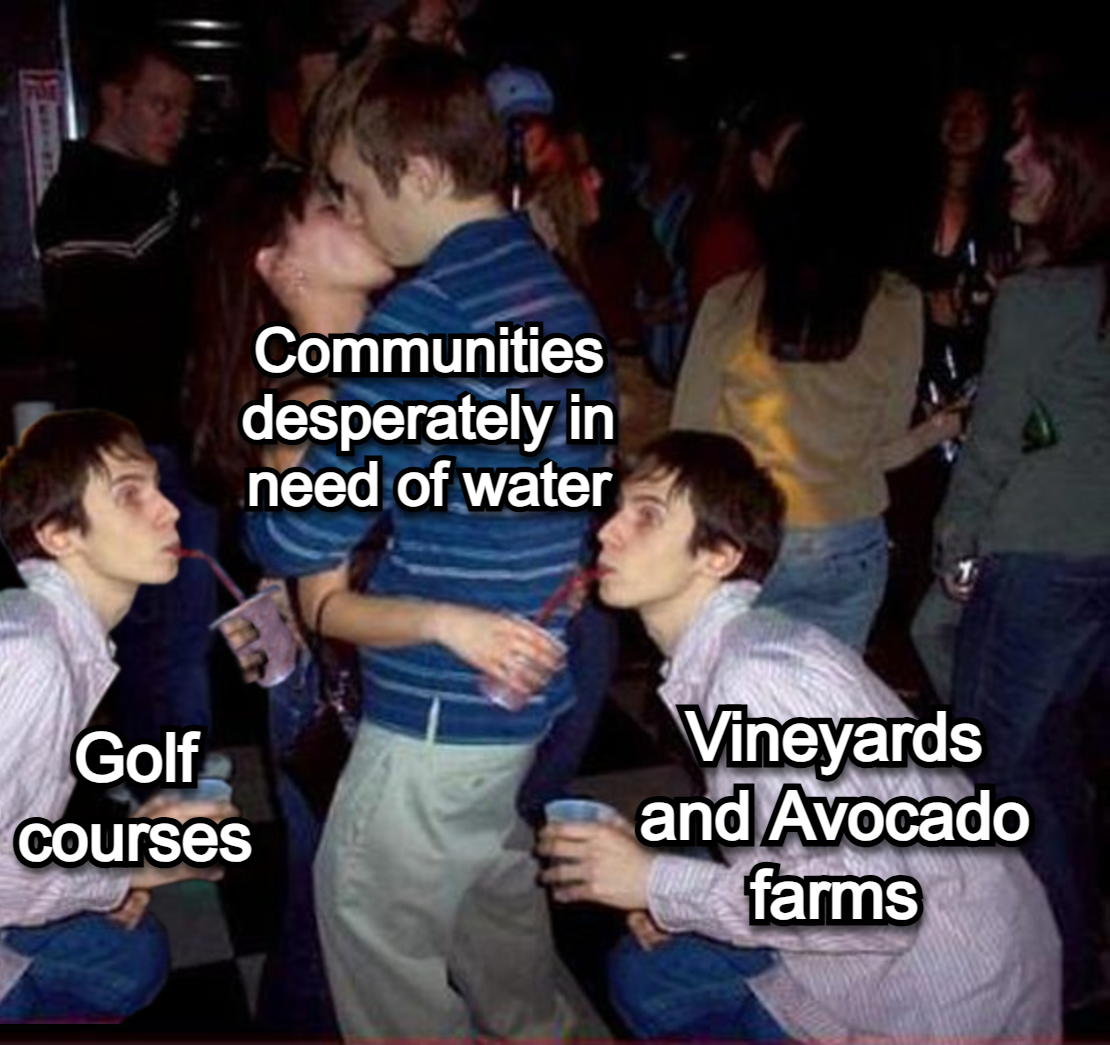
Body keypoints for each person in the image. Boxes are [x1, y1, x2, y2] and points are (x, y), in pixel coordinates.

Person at [244, 41, 613, 1040]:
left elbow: (299, 529)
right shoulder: (551, 291)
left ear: (415, 171)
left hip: (441, 702)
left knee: (367, 916)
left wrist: (273, 479)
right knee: (490, 885)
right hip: (522, 679)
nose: (353, 214)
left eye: (355, 190)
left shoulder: (428, 317)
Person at [538, 430, 1061, 1043]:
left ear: (719, 555)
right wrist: (667, 886)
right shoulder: (741, 645)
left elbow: (873, 908)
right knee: (648, 972)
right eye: (618, 508)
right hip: (946, 937)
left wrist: (655, 881)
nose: (607, 531)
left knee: (653, 979)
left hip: (937, 999)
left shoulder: (755, 679)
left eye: (647, 515)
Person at [938, 69, 1110, 1009]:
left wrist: (955, 541)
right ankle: (1074, 951)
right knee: (1056, 759)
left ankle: (1050, 975)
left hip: (1043, 554)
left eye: (1032, 144)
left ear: (1079, 165)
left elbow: (994, 438)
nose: (1011, 156)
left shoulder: (1043, 296)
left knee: (1000, 765)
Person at [672, 118, 959, 651]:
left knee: (731, 692)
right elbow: (883, 443)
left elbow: (691, 435)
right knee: (823, 697)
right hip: (847, 538)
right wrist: (934, 432)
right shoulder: (898, 303)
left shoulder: (730, 301)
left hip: (751, 536)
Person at [0, 410, 236, 1023]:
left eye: (157, 486)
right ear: (59, 534)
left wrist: (121, 850)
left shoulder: (61, 631)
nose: (170, 510)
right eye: (131, 494)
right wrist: (136, 867)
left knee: (133, 958)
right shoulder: (33, 656)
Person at [35, 35, 220, 775]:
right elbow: (123, 330)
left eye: (183, 111)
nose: (175, 124)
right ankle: (176, 789)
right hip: (138, 447)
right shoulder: (85, 195)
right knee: (168, 635)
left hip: (167, 440)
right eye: (160, 106)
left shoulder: (157, 190)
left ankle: (162, 782)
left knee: (160, 633)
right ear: (114, 99)